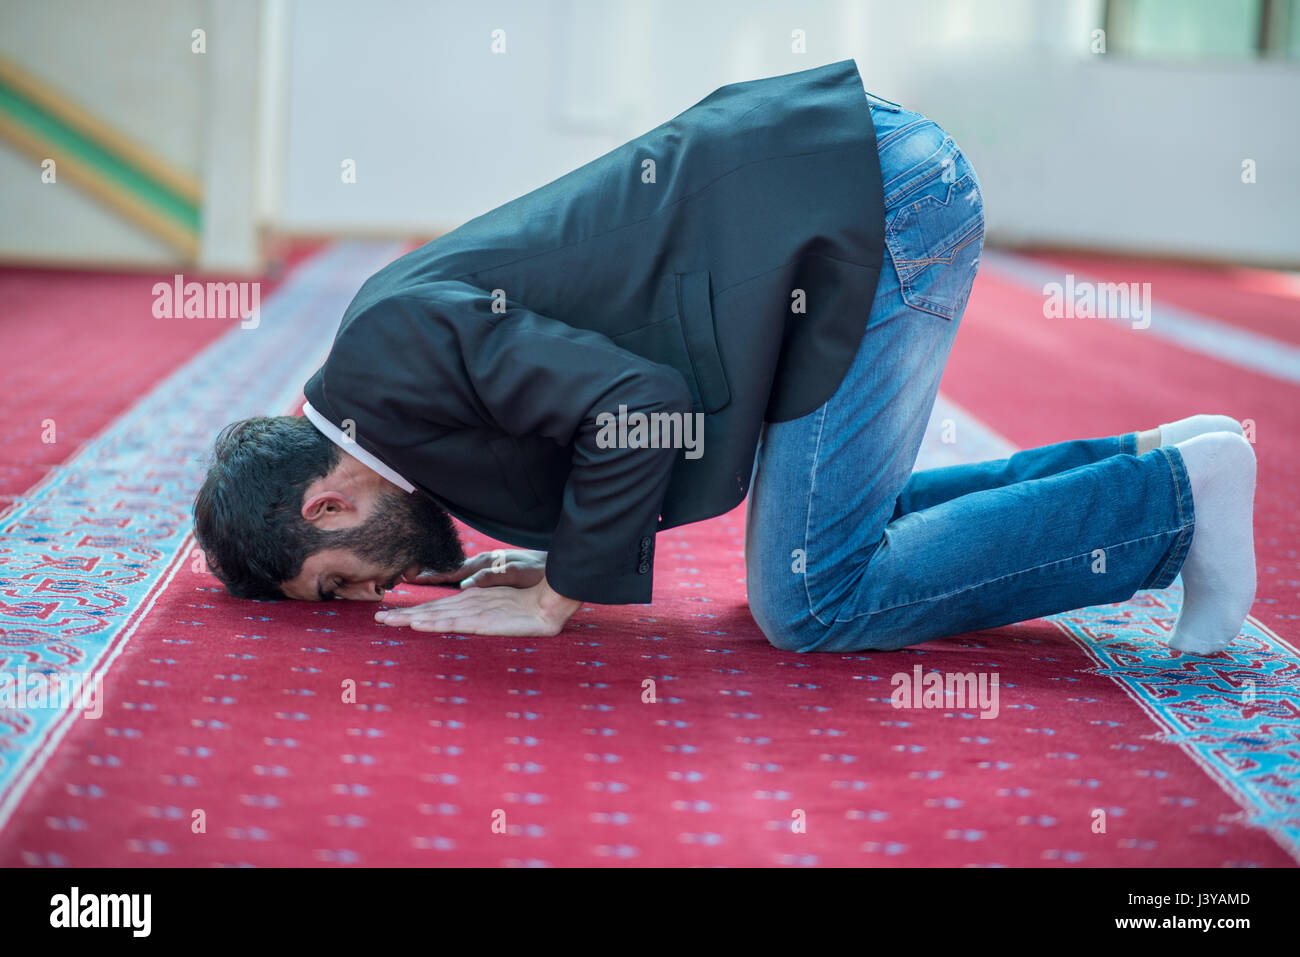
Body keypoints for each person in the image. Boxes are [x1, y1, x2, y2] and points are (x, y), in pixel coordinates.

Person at [194, 60, 1256, 655]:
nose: (377, 597)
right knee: (815, 549)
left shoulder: (387, 354)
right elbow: (583, 407)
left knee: (811, 599)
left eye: (339, 586)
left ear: (325, 505)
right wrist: (559, 549)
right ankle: (1159, 457)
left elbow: (634, 406)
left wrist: (558, 593)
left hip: (863, 205)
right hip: (843, 196)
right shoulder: (378, 385)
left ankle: (1168, 504)